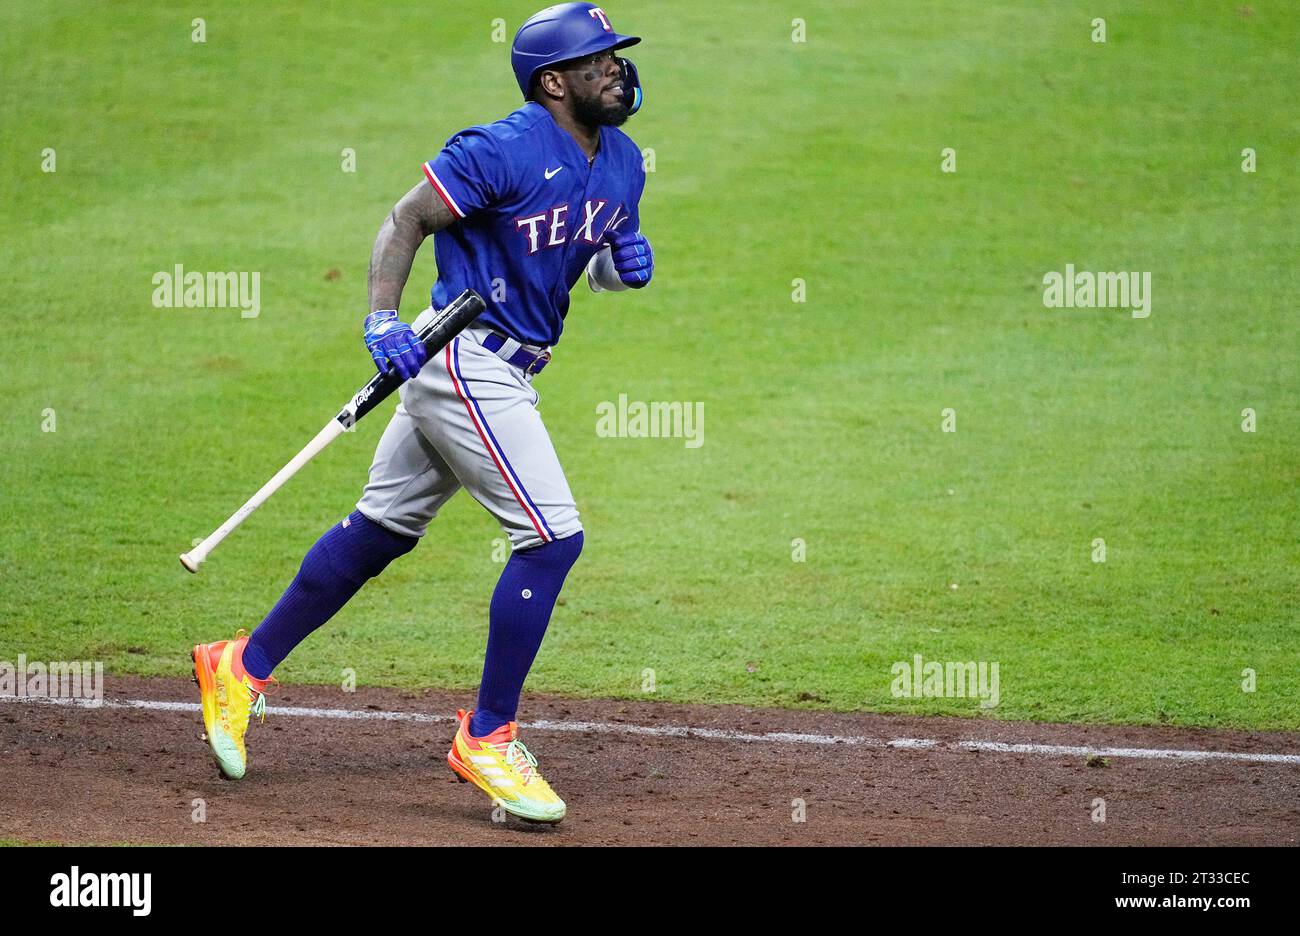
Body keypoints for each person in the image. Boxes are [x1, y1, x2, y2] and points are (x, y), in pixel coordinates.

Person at [192, 2, 653, 824]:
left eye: (617, 57)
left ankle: (239, 665)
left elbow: (599, 274)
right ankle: (487, 736)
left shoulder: (622, 162)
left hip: (511, 369)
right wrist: (381, 317)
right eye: (599, 61)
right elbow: (407, 219)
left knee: (381, 529)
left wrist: (625, 268)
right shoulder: (500, 149)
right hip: (464, 361)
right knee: (551, 540)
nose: (616, 69)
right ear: (554, 82)